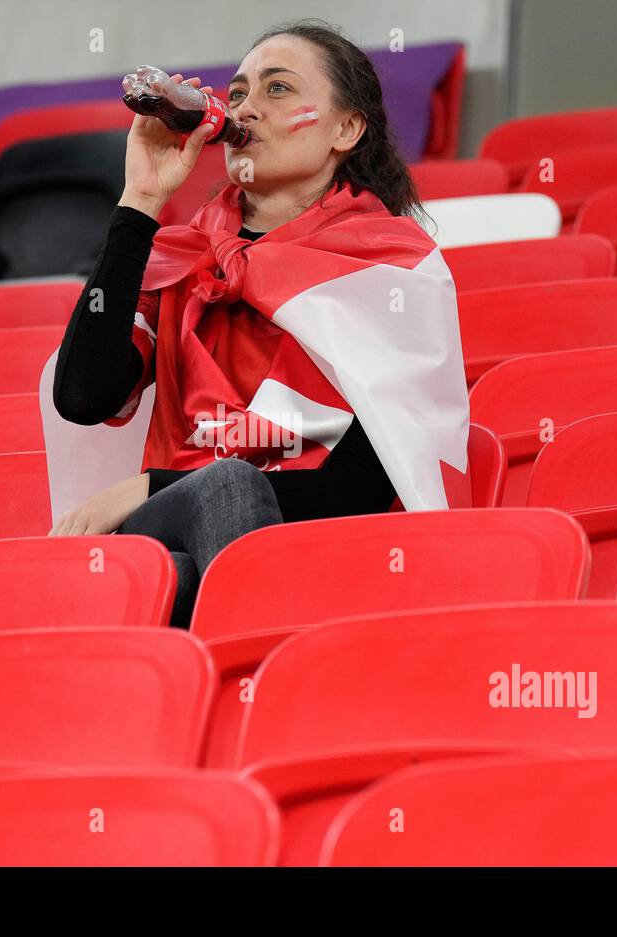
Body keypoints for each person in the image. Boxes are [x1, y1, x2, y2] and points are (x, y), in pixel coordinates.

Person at [48, 19, 469, 628]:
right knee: (200, 524)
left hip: (327, 546)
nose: (247, 108)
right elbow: (82, 396)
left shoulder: (389, 267)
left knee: (208, 533)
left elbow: (358, 493)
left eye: (278, 89)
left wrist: (145, 487)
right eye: (239, 93)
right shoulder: (180, 258)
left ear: (346, 129)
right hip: (171, 528)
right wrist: (140, 201)